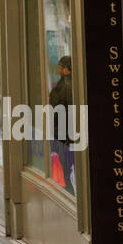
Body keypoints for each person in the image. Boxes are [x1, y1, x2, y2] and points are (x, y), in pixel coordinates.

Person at [48, 56, 74, 192]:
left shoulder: (64, 87)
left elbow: (61, 112)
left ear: (66, 69)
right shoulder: (72, 85)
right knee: (66, 172)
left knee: (64, 174)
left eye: (60, 67)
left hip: (64, 137)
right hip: (68, 136)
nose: (58, 70)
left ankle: (70, 199)